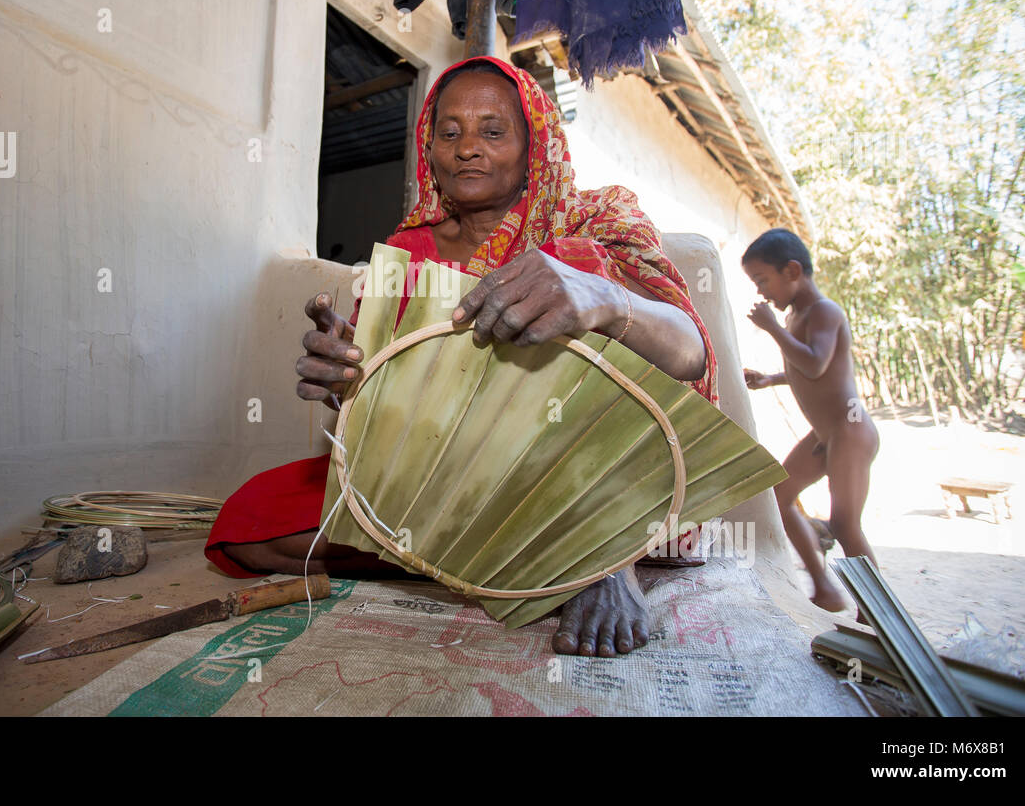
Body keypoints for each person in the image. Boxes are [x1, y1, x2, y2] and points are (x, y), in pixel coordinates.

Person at [206, 56, 718, 657]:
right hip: (450, 472)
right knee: (247, 524)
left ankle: (601, 558)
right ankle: (524, 561)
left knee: (579, 285)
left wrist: (599, 295)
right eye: (449, 132)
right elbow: (401, 414)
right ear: (430, 149)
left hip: (578, 471)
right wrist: (348, 378)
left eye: (492, 131)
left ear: (536, 145)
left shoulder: (598, 224)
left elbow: (689, 357)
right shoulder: (407, 251)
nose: (467, 148)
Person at [740, 228, 880, 614]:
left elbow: (816, 363)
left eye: (762, 280)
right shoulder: (797, 315)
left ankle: (880, 615)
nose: (761, 292)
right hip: (825, 435)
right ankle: (825, 587)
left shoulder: (824, 312)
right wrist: (770, 379)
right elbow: (810, 368)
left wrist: (771, 329)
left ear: (792, 270)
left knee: (845, 524)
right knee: (779, 497)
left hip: (850, 432)